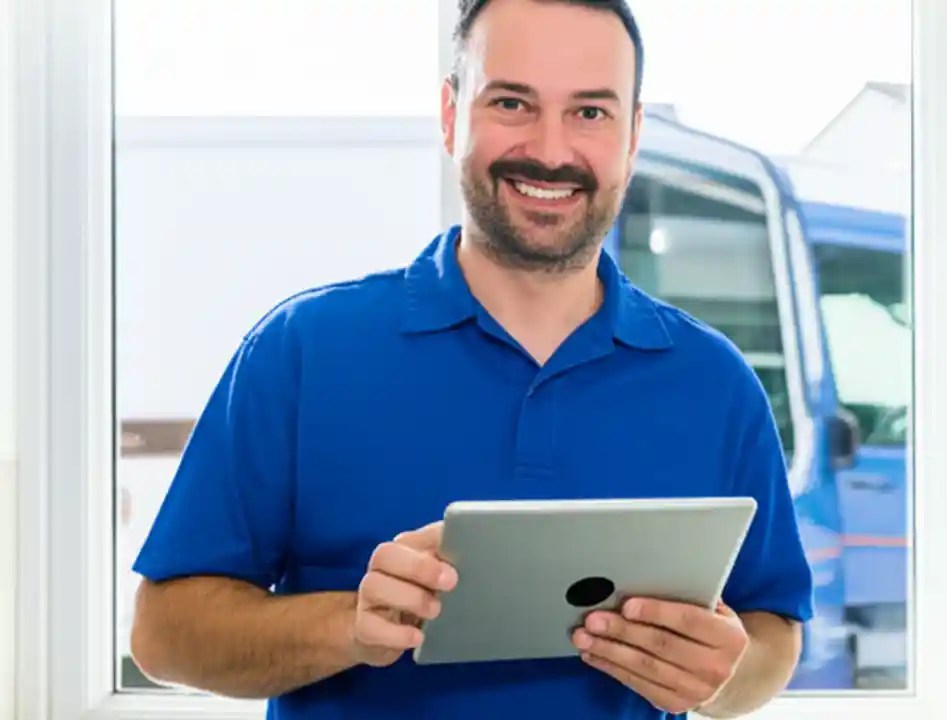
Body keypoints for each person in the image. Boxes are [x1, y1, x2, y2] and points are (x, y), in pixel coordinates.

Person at [128, 0, 814, 717]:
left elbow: (773, 634)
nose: (551, 150)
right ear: (451, 115)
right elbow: (163, 635)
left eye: (590, 113)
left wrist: (724, 674)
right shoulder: (301, 350)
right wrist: (350, 625)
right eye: (513, 103)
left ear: (632, 135)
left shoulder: (714, 383)